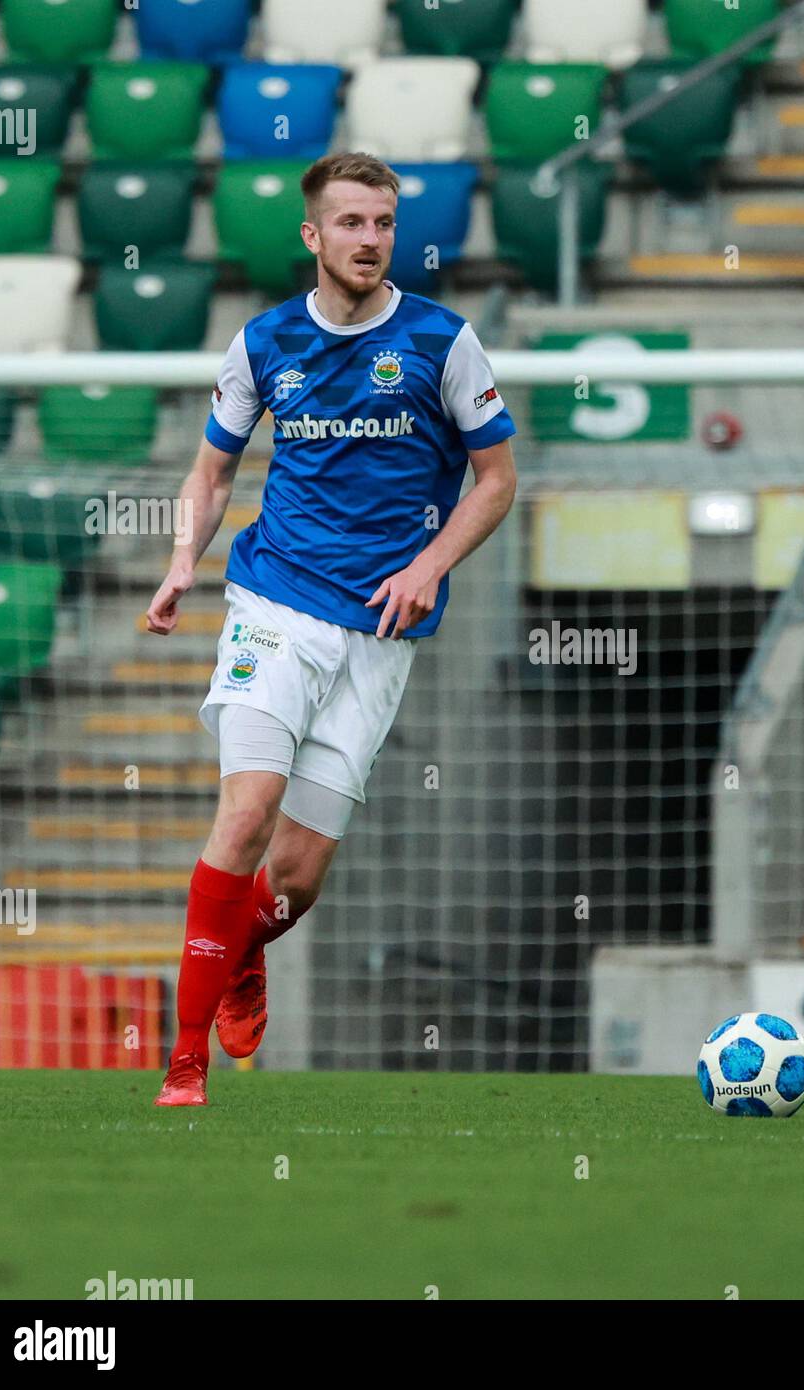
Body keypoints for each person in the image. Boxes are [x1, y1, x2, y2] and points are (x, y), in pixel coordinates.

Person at [145, 152, 517, 1105]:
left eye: (384, 223)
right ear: (313, 236)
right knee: (245, 812)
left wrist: (431, 564)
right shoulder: (264, 343)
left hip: (379, 635)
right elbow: (214, 472)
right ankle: (185, 1063)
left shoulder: (442, 341)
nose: (369, 239)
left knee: (297, 882)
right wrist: (186, 558)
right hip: (274, 604)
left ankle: (240, 953)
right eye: (351, 223)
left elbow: (499, 479)